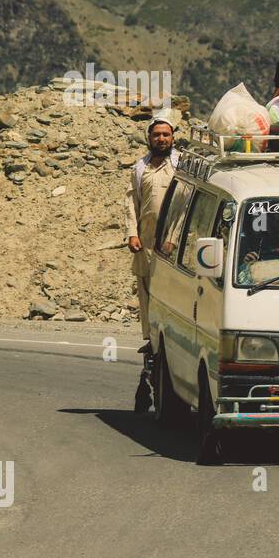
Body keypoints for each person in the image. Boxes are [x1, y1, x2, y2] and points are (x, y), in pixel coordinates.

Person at [125, 117, 180, 412]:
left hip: (173, 250)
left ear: (173, 137)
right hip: (145, 249)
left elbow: (186, 207)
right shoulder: (139, 167)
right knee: (148, 305)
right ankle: (151, 349)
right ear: (149, 137)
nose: (161, 139)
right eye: (157, 134)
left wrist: (172, 238)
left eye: (166, 134)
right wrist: (132, 234)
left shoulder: (181, 166)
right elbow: (131, 203)